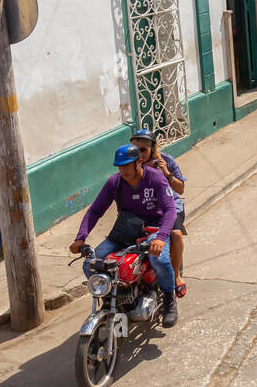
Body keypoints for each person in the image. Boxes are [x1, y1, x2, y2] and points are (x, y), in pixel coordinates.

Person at [70, 143, 180, 325]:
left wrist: (161, 238)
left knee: (158, 259)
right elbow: (95, 211)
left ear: (139, 161)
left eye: (127, 165)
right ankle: (113, 298)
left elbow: (170, 210)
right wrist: (80, 238)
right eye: (120, 166)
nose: (123, 170)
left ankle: (169, 299)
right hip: (126, 229)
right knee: (91, 264)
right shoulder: (114, 182)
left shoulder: (156, 178)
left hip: (153, 230)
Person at [130, 128, 188, 296]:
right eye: (136, 150)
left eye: (143, 150)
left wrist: (167, 174)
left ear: (152, 148)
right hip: (145, 208)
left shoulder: (166, 161)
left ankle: (176, 276)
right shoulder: (132, 164)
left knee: (175, 234)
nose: (140, 154)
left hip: (170, 207)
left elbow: (181, 189)